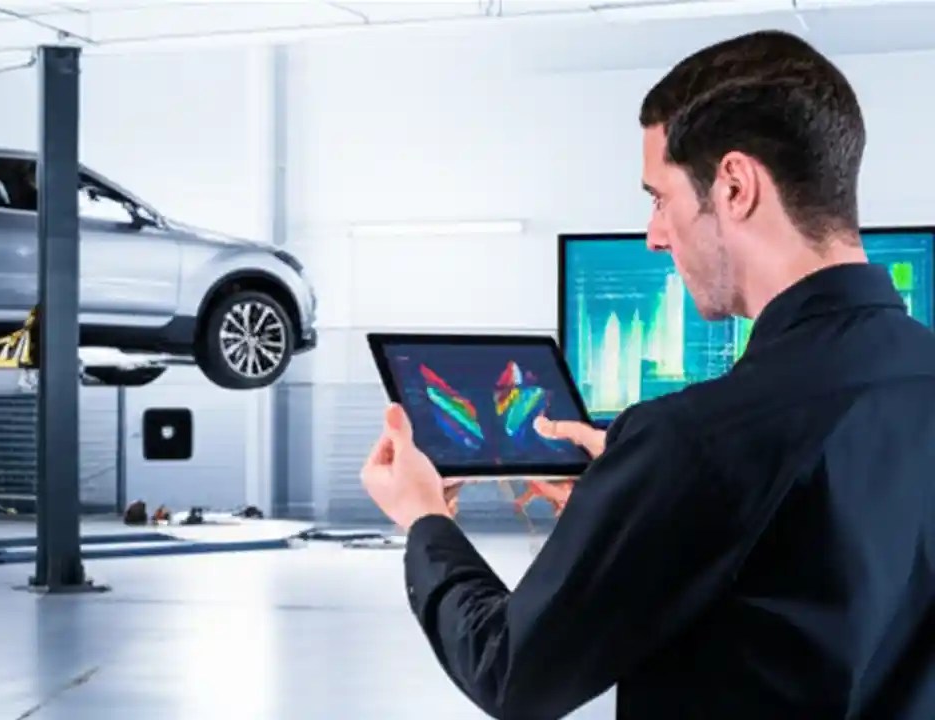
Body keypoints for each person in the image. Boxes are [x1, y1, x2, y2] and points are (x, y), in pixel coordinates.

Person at [360, 29, 935, 719]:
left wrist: (425, 518)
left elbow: (510, 668)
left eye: (659, 197)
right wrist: (636, 505)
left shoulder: (694, 441)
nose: (654, 235)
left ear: (734, 185)